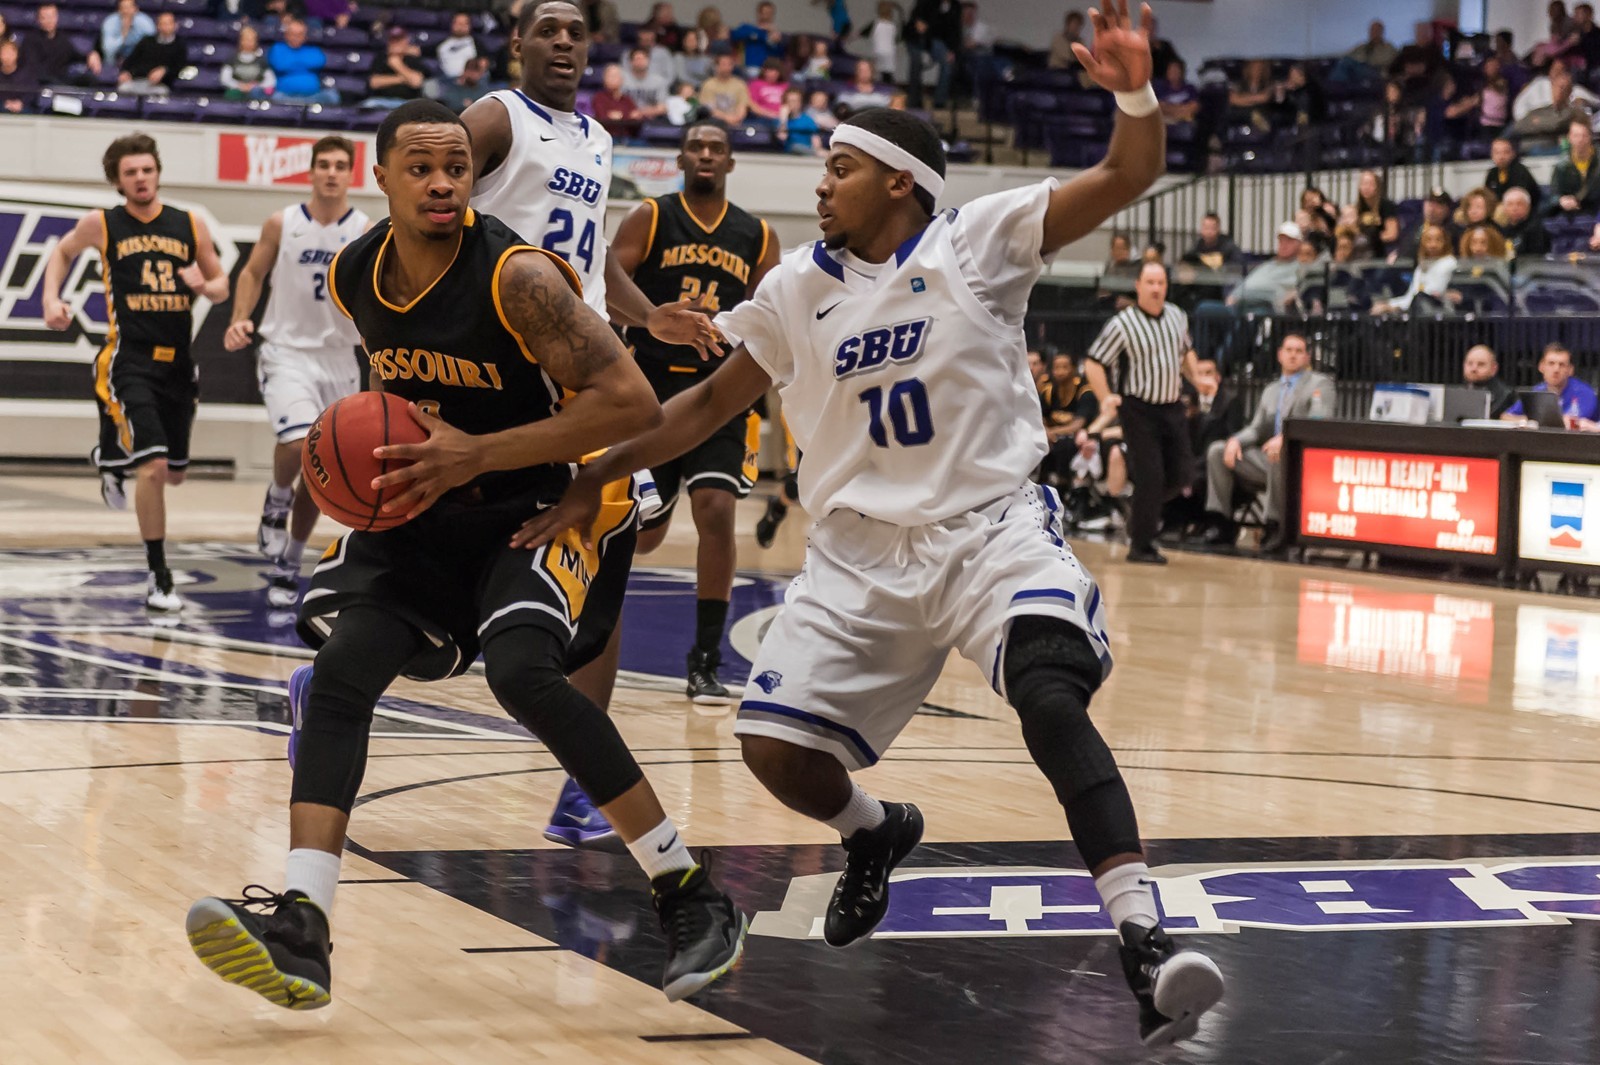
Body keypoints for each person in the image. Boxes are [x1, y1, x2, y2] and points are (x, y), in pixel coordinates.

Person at [516, 6, 1226, 1048]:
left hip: (989, 529)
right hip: (856, 558)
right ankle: (875, 830)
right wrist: (596, 475)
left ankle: (1144, 939)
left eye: (840, 165)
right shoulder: (795, 287)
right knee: (772, 751)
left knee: (1046, 689)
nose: (820, 182)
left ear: (899, 180)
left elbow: (1123, 176)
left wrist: (1133, 90)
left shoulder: (977, 241)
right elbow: (702, 408)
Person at [184, 101, 747, 1013]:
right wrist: (378, 468)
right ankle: (303, 924)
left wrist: (475, 453)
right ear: (384, 178)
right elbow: (391, 389)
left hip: (538, 504)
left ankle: (692, 892)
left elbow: (633, 405)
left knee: (525, 674)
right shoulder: (356, 272)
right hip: (427, 510)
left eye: (457, 168)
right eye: (422, 168)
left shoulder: (518, 278)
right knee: (338, 675)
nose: (444, 182)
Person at [461, 0, 722, 848]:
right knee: (479, 541)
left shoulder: (600, 140)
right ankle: (343, 675)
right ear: (519, 44)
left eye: (577, 31)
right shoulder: (496, 117)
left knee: (619, 536)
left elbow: (599, 260)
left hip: (578, 360)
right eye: (549, 29)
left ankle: (583, 783)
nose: (566, 41)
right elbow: (427, 198)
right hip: (503, 359)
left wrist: (650, 321)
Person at [608, 120, 779, 701]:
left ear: (730, 163)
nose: (707, 155)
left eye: (718, 148)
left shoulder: (757, 236)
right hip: (650, 396)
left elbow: (769, 320)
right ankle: (589, 620)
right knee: (645, 535)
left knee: (715, 510)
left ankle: (705, 658)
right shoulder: (651, 218)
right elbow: (608, 290)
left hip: (721, 394)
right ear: (681, 157)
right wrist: (654, 318)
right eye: (698, 147)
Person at [39, 134, 229, 611]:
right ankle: (160, 576)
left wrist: (204, 284)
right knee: (154, 467)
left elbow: (222, 285)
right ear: (117, 181)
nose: (141, 178)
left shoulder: (190, 223)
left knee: (176, 475)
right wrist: (50, 298)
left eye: (147, 169)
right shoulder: (102, 223)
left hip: (179, 363)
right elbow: (61, 252)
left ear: (157, 171)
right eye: (131, 173)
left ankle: (109, 452)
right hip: (130, 358)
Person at [224, 137, 370, 608]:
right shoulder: (281, 222)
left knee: (321, 469)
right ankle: (277, 494)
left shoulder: (367, 230)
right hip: (285, 350)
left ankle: (291, 554)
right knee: (297, 442)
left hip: (340, 358)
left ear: (353, 174)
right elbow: (250, 273)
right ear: (310, 172)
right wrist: (240, 316)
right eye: (323, 165)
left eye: (340, 166)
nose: (331, 173)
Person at [1083, 261, 1196, 564]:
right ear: (1138, 286)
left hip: (1172, 405)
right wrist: (1106, 397)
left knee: (1182, 475)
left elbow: (1185, 354)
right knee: (1151, 476)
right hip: (1139, 408)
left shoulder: (1177, 316)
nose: (1157, 288)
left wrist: (1199, 380)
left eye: (1161, 283)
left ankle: (1140, 509)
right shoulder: (1123, 323)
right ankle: (1141, 545)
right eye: (1150, 283)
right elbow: (1093, 362)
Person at [1199, 333, 1332, 553]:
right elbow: (1255, 428)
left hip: (1299, 461)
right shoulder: (1271, 390)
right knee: (1217, 450)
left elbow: (1318, 421)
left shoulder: (1320, 384)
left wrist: (1286, 438)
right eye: (1288, 350)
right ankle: (1220, 521)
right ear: (1279, 355)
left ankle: (1275, 526)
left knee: (1278, 454)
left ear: (1307, 357)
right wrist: (1235, 441)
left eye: (1299, 351)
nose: (1293, 355)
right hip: (1267, 460)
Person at [1504, 343, 1599, 423]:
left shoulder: (1585, 393)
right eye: (1551, 363)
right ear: (1541, 367)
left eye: (1562, 365)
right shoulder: (1537, 391)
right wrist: (1529, 421)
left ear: (1570, 370)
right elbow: (1506, 417)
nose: (1556, 369)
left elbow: (1574, 424)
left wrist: (1536, 421)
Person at [1373, 224, 1455, 314]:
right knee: (1378, 307)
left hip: (1437, 311)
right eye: (1428, 240)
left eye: (1438, 240)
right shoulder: (1422, 264)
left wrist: (1394, 308)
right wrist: (1389, 304)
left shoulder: (1449, 262)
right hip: (1415, 308)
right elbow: (1411, 296)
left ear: (1445, 242)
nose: (1433, 244)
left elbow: (1432, 293)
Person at [24, 3, 102, 85]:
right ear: (38, 19)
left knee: (90, 80)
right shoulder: (30, 40)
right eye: (44, 18)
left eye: (51, 17)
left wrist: (90, 55)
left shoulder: (62, 39)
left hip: (62, 81)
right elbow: (32, 69)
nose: (49, 21)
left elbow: (74, 55)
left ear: (57, 17)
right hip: (42, 83)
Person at [906, 0, 960, 109]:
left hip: (937, 40)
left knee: (948, 64)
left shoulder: (955, 6)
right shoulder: (927, 2)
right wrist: (919, 23)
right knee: (916, 62)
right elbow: (917, 17)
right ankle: (915, 99)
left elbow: (955, 30)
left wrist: (952, 50)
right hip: (917, 39)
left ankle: (939, 100)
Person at [269, 18, 337, 105]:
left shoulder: (314, 50)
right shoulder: (277, 49)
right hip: (285, 97)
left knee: (332, 96)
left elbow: (320, 62)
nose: (296, 38)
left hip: (313, 97)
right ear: (286, 35)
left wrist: (292, 63)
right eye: (293, 34)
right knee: (275, 97)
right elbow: (280, 65)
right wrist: (305, 63)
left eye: (300, 34)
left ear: (305, 36)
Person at [118, 9, 183, 95]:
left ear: (175, 25)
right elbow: (130, 60)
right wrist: (125, 72)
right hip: (138, 81)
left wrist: (165, 70)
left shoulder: (179, 46)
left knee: (161, 93)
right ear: (158, 26)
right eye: (162, 24)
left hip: (161, 85)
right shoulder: (147, 41)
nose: (165, 27)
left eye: (168, 24)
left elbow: (179, 67)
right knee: (123, 89)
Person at [1546, 118, 1600, 215]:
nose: (1580, 140)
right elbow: (1554, 193)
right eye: (1576, 135)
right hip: (1571, 214)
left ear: (1590, 137)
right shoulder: (1561, 165)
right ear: (1569, 137)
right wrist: (1561, 200)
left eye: (1584, 135)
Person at [368, 26, 427, 107]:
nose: (396, 44)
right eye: (393, 40)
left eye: (399, 40)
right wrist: (403, 78)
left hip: (407, 102)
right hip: (380, 101)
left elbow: (416, 82)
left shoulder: (413, 60)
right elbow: (374, 82)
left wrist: (397, 65)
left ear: (406, 41)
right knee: (368, 105)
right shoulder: (381, 58)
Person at [1391, 187, 1457, 261]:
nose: (1432, 209)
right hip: (1403, 264)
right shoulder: (1415, 225)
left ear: (1446, 209)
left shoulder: (1451, 231)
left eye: (1438, 205)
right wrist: (1397, 252)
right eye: (1430, 204)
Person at [1485, 138, 1541, 212]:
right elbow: (1487, 196)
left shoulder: (1521, 171)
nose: (1501, 157)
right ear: (1491, 155)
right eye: (1497, 152)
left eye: (1505, 152)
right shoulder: (1492, 173)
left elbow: (1521, 199)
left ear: (1513, 153)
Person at [221, 25, 275, 99]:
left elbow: (271, 81)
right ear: (241, 41)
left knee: (256, 93)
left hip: (255, 92)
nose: (248, 43)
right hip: (236, 91)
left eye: (251, 40)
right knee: (232, 94)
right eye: (246, 39)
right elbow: (224, 79)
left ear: (256, 42)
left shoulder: (261, 61)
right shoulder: (232, 59)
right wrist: (239, 86)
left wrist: (256, 86)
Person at [1352, 169, 1398, 256]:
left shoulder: (1386, 205)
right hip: (1361, 251)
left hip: (1381, 250)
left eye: (1370, 184)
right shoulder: (1358, 207)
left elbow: (1392, 234)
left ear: (1377, 187)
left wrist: (1373, 238)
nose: (1366, 187)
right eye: (1363, 184)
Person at [731, 0, 785, 75]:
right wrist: (760, 33)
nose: (767, 16)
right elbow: (734, 35)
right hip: (751, 67)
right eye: (765, 13)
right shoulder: (749, 28)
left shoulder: (776, 34)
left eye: (770, 13)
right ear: (759, 13)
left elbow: (780, 55)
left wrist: (777, 40)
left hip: (768, 70)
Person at [1462, 344, 1515, 418]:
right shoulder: (1458, 393)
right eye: (1470, 363)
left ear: (1494, 368)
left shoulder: (1505, 395)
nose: (1474, 368)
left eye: (1481, 364)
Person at [429, 53, 495, 112]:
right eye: (471, 71)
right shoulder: (452, 87)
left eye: (477, 72)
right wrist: (465, 105)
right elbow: (450, 104)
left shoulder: (482, 89)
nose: (474, 75)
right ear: (465, 71)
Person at [699, 50, 750, 125]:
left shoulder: (740, 84)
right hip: (714, 123)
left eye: (730, 64)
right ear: (716, 66)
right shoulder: (708, 84)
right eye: (723, 64)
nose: (727, 67)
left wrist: (737, 118)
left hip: (737, 123)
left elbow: (742, 106)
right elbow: (710, 109)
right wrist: (727, 118)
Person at [591, 62, 642, 137]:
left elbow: (636, 117)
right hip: (606, 137)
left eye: (616, 76)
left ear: (622, 79)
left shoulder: (627, 100)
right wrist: (628, 117)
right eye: (610, 76)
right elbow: (602, 117)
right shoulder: (599, 98)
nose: (613, 79)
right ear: (604, 79)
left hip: (628, 139)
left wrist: (621, 116)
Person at [621, 45, 671, 119]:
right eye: (637, 59)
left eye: (643, 59)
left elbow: (663, 108)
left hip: (652, 120)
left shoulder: (659, 81)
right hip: (627, 119)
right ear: (631, 62)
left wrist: (641, 112)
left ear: (648, 60)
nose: (640, 62)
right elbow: (616, 105)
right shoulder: (622, 79)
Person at [99, 0, 153, 68]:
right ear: (118, 10)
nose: (126, 11)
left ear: (136, 9)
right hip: (114, 61)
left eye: (129, 8)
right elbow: (108, 49)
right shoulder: (110, 22)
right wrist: (123, 35)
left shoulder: (146, 23)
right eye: (123, 8)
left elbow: (152, 47)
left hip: (138, 61)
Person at [436, 11, 482, 80]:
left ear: (470, 26)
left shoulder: (477, 43)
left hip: (470, 81)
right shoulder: (442, 44)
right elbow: (420, 51)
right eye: (458, 23)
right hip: (445, 81)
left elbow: (485, 61)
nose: (461, 26)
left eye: (465, 23)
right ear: (452, 24)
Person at [866, 0, 900, 79]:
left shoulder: (875, 23)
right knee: (887, 74)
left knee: (874, 72)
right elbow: (896, 39)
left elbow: (862, 33)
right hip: (889, 52)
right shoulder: (893, 25)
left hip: (877, 51)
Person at [0, 38, 36, 112]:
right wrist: (6, 103)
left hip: (22, 107)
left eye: (10, 53)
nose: (7, 57)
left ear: (16, 54)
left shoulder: (27, 73)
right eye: (4, 53)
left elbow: (32, 92)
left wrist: (21, 102)